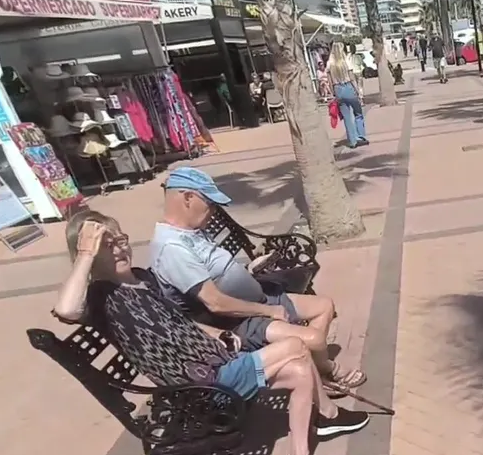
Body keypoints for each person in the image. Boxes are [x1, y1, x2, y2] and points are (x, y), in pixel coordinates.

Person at [52, 209, 367, 455]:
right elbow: (66, 310)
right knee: (296, 345)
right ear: (87, 254)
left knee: (299, 370)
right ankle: (329, 414)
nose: (119, 249)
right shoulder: (102, 297)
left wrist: (220, 335)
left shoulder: (142, 278)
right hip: (201, 386)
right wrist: (85, 254)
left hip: (219, 365)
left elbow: (180, 321)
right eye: (106, 246)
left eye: (120, 240)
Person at [148, 166, 369, 393]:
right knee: (314, 339)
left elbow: (220, 273)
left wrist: (248, 271)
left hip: (257, 300)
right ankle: (327, 370)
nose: (213, 211)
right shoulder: (172, 249)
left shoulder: (190, 231)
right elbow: (216, 303)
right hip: (237, 321)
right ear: (188, 198)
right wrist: (268, 311)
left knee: (324, 307)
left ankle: (319, 372)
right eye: (210, 203)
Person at [325, 42, 368, 148]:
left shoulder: (329, 64)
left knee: (346, 117)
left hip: (338, 89)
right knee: (358, 113)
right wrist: (357, 91)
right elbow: (352, 78)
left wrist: (333, 93)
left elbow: (330, 81)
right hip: (348, 87)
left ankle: (352, 141)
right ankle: (361, 136)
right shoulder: (346, 61)